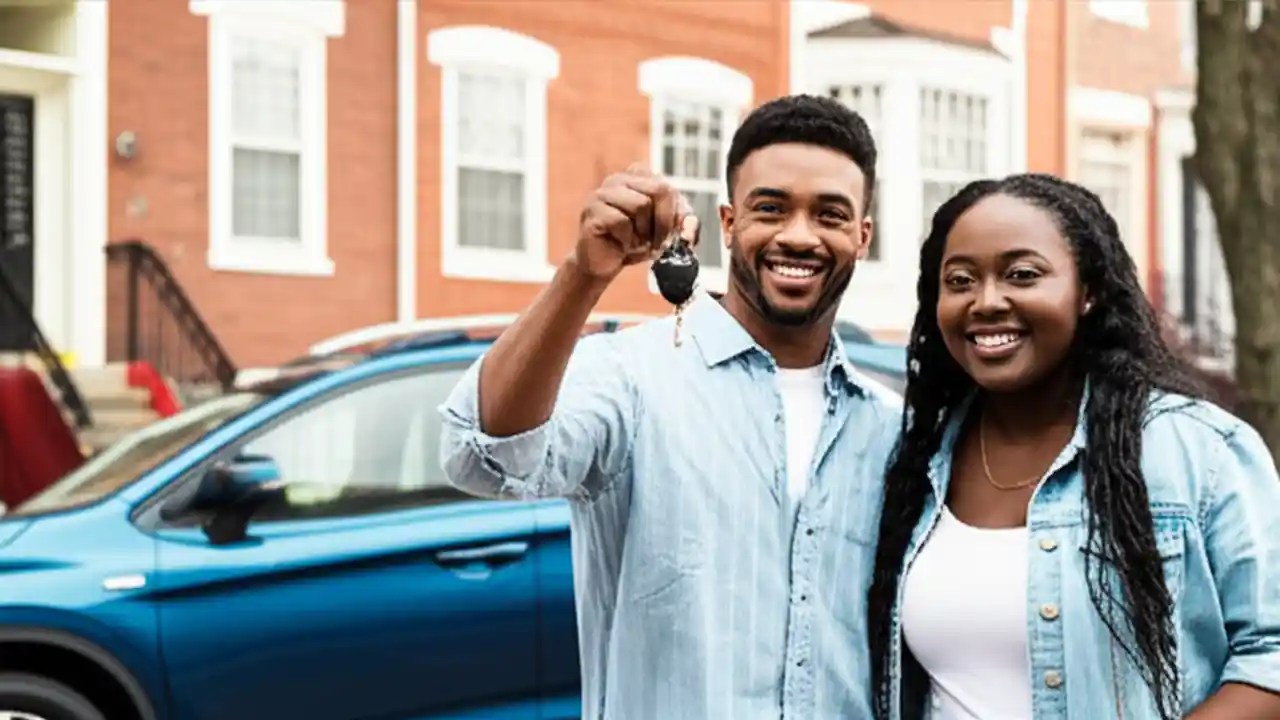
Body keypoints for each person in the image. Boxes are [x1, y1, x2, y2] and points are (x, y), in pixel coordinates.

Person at [438, 94, 901, 718]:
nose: (799, 235)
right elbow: (482, 454)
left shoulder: (891, 427)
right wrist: (583, 272)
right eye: (771, 208)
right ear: (730, 223)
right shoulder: (631, 377)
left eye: (830, 214)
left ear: (861, 237)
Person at [866, 172, 1280, 720]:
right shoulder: (916, 463)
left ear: (1088, 291)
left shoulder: (1199, 451)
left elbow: (1270, 659)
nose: (986, 301)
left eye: (1022, 274)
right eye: (960, 279)